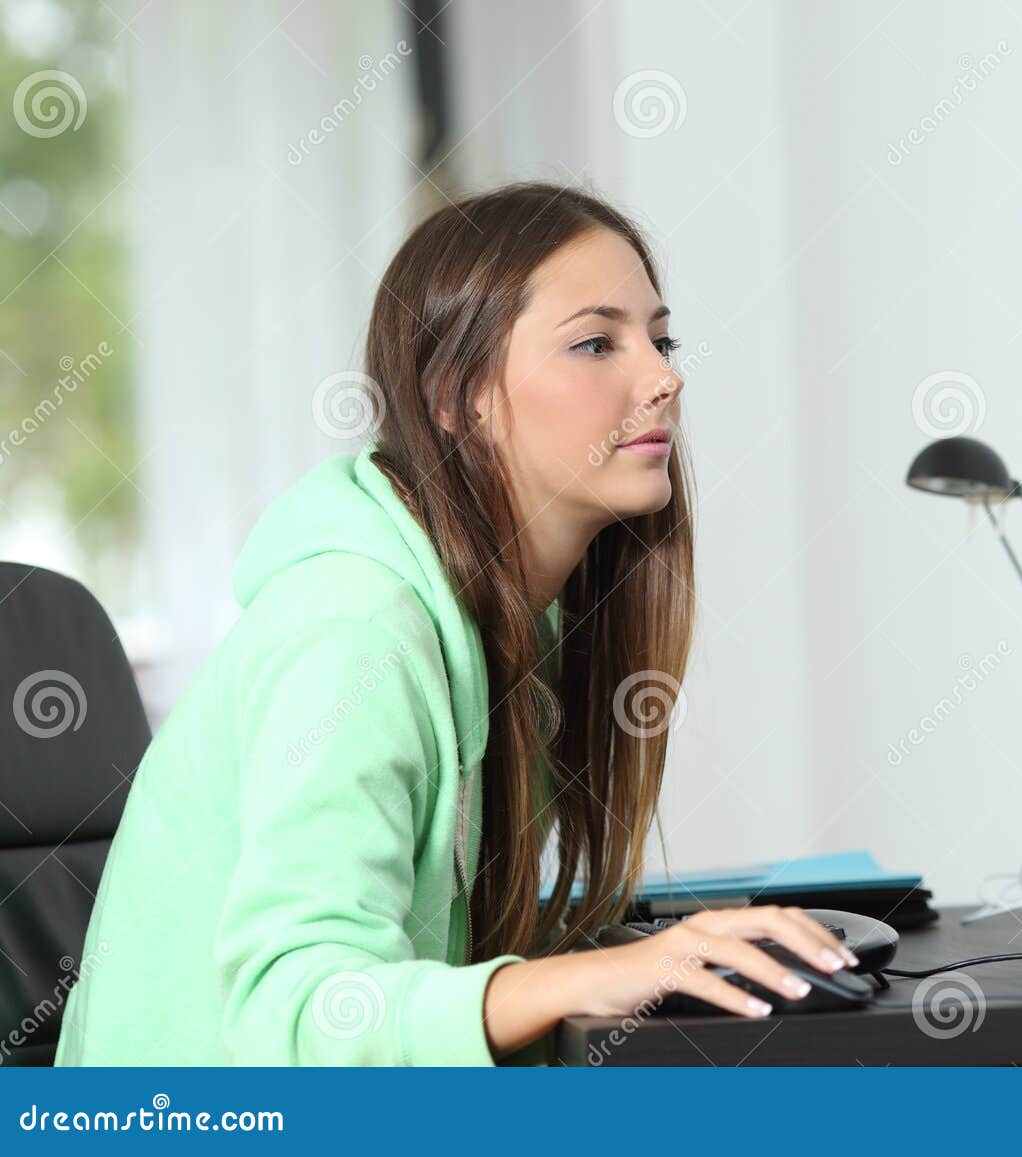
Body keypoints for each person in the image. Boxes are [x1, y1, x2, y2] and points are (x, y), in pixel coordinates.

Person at [56, 181, 853, 1066]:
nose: (665, 378)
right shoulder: (358, 629)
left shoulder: (514, 626)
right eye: (597, 343)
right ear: (457, 396)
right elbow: (299, 1016)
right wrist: (593, 977)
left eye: (660, 341)